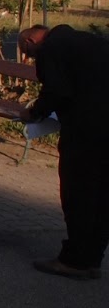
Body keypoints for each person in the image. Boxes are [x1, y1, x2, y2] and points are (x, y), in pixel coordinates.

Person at [19, 24, 109, 280]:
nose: (29, 57)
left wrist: (34, 112)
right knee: (103, 194)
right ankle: (93, 259)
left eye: (27, 51)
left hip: (87, 130)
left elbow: (57, 91)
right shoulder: (85, 41)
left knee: (79, 191)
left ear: (32, 39)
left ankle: (73, 261)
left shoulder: (52, 48)